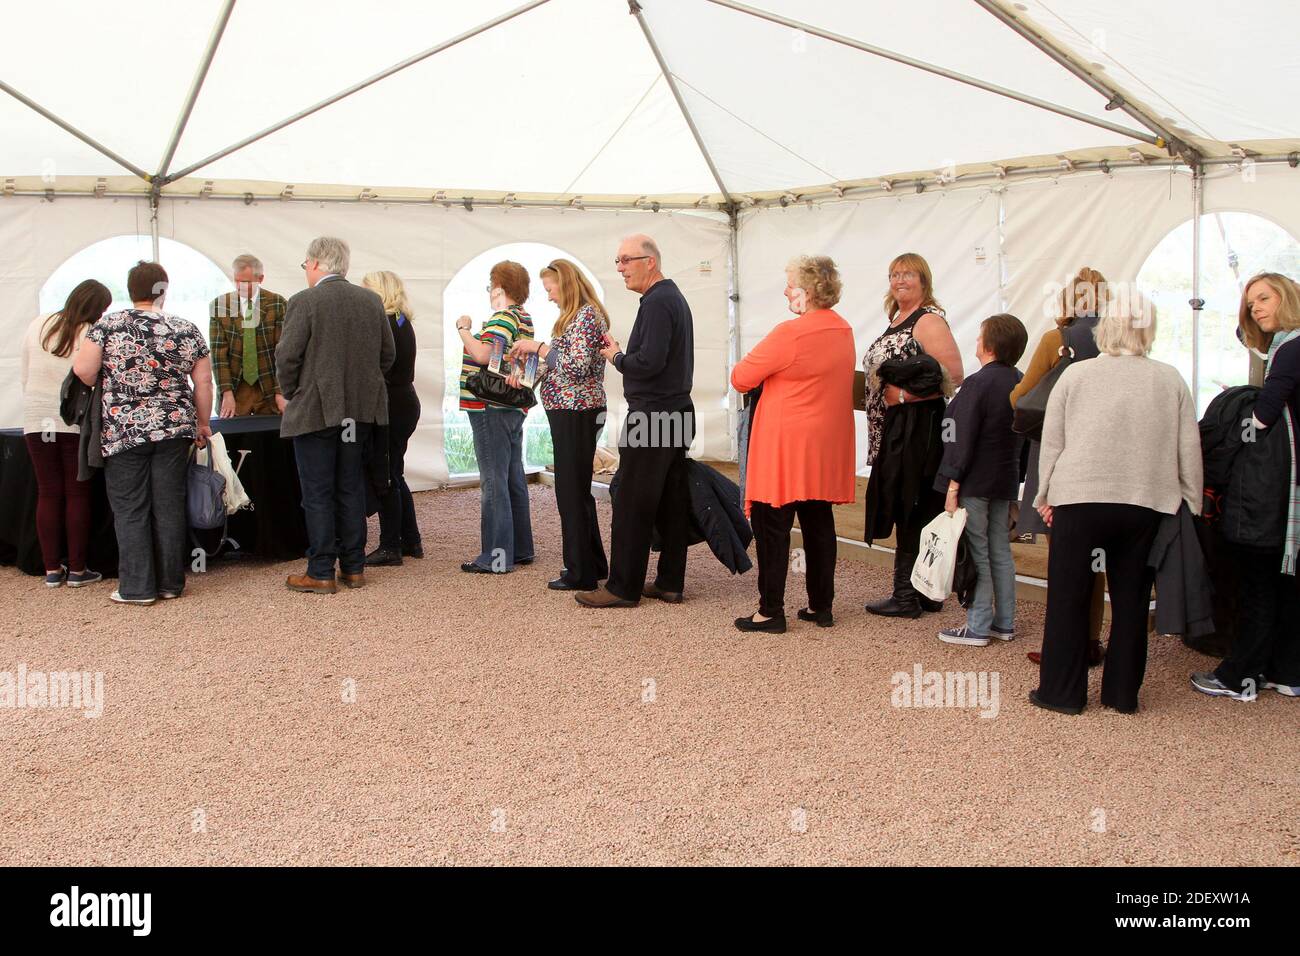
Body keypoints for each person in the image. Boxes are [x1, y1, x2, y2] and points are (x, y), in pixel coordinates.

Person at [1029, 297, 1202, 715]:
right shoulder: (1170, 379)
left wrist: (1045, 496)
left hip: (1079, 499)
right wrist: (1191, 504)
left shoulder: (1076, 375)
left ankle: (1061, 694)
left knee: (1068, 598)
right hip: (1144, 504)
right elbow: (1188, 448)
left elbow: (1053, 443)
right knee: (1131, 602)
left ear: (1103, 329)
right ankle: (1121, 696)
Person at [73, 261, 213, 605]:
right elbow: (204, 381)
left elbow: (84, 371)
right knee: (168, 506)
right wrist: (203, 423)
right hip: (174, 427)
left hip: (124, 431)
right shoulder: (185, 329)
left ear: (130, 289)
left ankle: (137, 588)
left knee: (130, 507)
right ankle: (170, 583)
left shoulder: (108, 326)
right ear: (163, 290)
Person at [729, 255, 855, 633]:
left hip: (783, 446)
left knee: (773, 528)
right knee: (819, 524)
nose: (785, 290)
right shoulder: (843, 329)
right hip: (824, 446)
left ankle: (770, 611)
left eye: (789, 283)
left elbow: (741, 376)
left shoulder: (790, 333)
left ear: (806, 291)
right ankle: (821, 606)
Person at [1192, 272, 1300, 700]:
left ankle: (1241, 677)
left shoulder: (1289, 349)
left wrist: (1241, 428)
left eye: (1263, 298)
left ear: (1286, 298)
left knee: (1259, 583)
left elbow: (1267, 412)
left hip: (1277, 489)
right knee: (1286, 582)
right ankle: (1287, 671)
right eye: (1250, 302)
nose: (1255, 307)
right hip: (1291, 486)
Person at [577, 234, 695, 609]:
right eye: (618, 261)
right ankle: (669, 582)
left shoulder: (658, 302)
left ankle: (622, 587)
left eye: (626, 260)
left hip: (654, 414)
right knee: (670, 500)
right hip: (676, 411)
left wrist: (616, 357)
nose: (620, 268)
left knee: (630, 498)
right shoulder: (670, 298)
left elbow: (650, 362)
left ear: (651, 262)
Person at [277, 237, 394, 594]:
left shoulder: (304, 301)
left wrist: (293, 393)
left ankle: (322, 570)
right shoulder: (371, 301)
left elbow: (287, 357)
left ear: (314, 263)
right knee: (349, 487)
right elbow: (387, 356)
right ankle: (354, 567)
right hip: (357, 414)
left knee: (317, 492)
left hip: (316, 412)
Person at [1012, 267, 1107, 667]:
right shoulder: (1119, 340)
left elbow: (1021, 395)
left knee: (1063, 555)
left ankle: (1062, 647)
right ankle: (1090, 642)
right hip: (1105, 457)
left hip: (1060, 454)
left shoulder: (1057, 339)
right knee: (1097, 558)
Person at [862, 252, 964, 618]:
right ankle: (923, 592)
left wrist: (904, 396)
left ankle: (907, 596)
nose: (899, 280)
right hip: (897, 428)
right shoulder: (897, 319)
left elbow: (953, 374)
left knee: (912, 504)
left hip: (917, 428)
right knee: (912, 503)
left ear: (923, 280)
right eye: (893, 274)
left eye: (907, 274)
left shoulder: (927, 321)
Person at [508, 260, 609, 590]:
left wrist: (536, 346)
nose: (549, 296)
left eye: (550, 289)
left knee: (570, 490)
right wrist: (524, 369)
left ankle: (581, 573)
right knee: (576, 489)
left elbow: (576, 367)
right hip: (569, 409)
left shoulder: (587, 315)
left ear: (565, 283)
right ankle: (592, 564)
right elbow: (558, 363)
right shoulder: (574, 317)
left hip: (578, 409)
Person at [935, 313, 1028, 645]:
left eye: (979, 337)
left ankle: (977, 625)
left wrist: (952, 482)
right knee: (1000, 549)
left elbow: (961, 436)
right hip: (1005, 480)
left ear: (989, 344)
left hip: (975, 481)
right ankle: (1004, 623)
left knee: (978, 553)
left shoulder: (978, 384)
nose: (975, 342)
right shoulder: (1021, 380)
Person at [21, 279, 111, 588]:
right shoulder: (90, 332)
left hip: (36, 417)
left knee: (47, 491)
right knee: (77, 492)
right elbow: (93, 377)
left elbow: (24, 371)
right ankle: (77, 569)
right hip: (71, 420)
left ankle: (50, 570)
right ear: (97, 308)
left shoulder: (40, 323)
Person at [454, 260, 535, 574]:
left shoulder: (501, 317)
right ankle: (520, 549)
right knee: (513, 476)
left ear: (500, 287)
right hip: (512, 407)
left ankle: (495, 556)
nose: (489, 292)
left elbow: (484, 356)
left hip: (489, 407)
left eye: (490, 287)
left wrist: (464, 330)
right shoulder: (523, 318)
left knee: (493, 480)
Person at [360, 270, 423, 566]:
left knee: (384, 473)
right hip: (405, 401)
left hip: (390, 404)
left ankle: (390, 546)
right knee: (395, 471)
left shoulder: (384, 323)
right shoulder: (401, 319)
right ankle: (410, 540)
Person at [209, 254, 288, 417]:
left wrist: (280, 391)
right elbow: (218, 355)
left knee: (270, 441)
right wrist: (226, 393)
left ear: (260, 279)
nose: (240, 286)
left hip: (269, 390)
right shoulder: (220, 305)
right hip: (236, 391)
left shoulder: (278, 303)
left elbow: (284, 351)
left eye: (245, 282)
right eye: (237, 280)